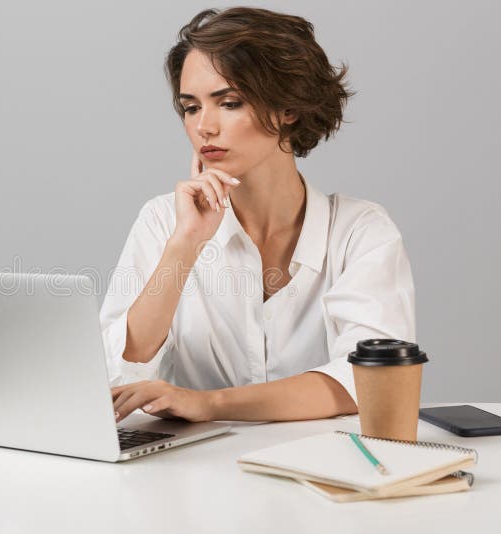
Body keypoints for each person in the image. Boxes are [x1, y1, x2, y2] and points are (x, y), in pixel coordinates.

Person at [100, 7, 415, 423]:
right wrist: (185, 244)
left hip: (324, 471)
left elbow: (370, 379)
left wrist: (208, 403)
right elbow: (120, 373)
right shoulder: (163, 221)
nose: (204, 127)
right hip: (193, 475)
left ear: (289, 109)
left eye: (228, 103)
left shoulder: (360, 231)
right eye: (190, 107)